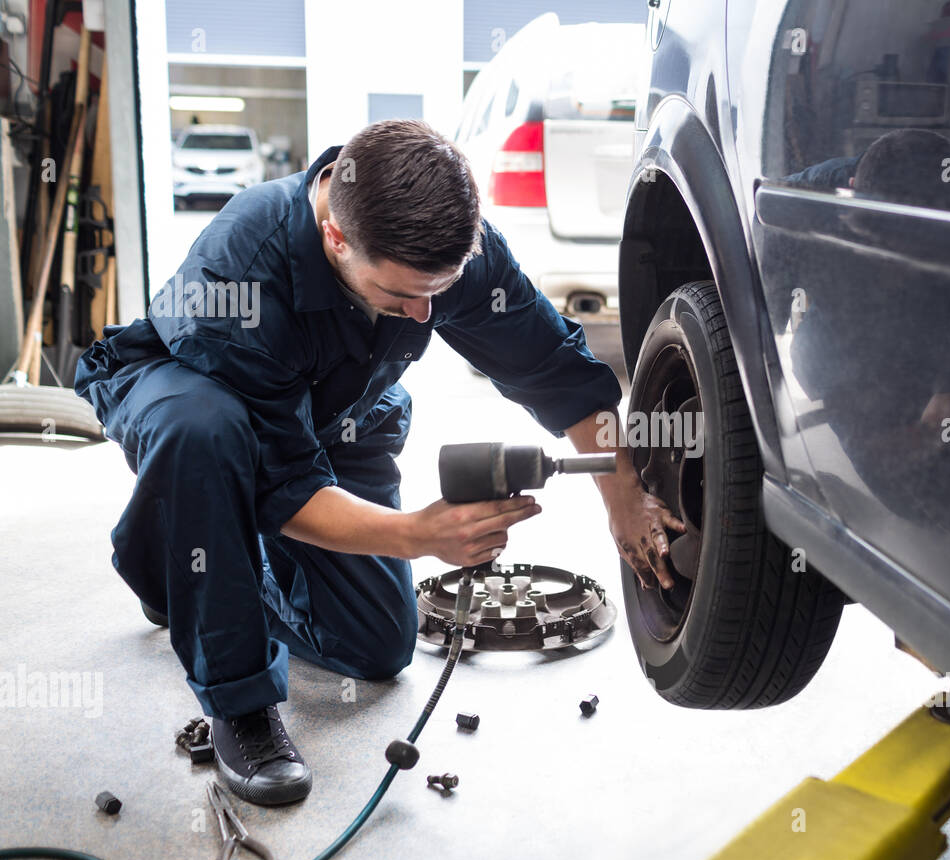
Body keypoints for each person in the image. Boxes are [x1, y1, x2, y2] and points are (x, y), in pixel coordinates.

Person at [74, 120, 684, 806]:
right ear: (336, 235)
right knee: (205, 435)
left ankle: (180, 564)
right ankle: (239, 705)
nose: (424, 315)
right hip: (190, 392)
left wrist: (620, 487)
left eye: (439, 291)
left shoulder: (447, 248)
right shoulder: (241, 271)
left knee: (375, 648)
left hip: (338, 417)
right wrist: (420, 535)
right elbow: (281, 482)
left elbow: (553, 366)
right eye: (399, 297)